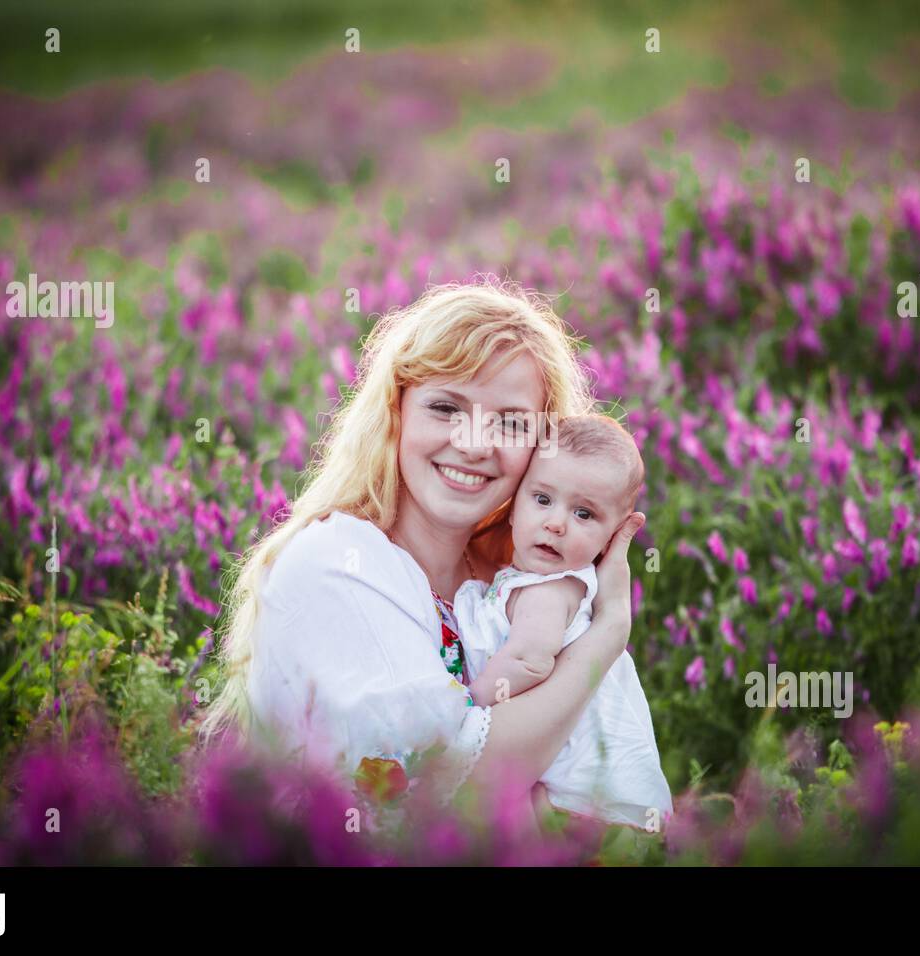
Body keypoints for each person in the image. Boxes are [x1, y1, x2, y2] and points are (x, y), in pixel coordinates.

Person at [202, 277, 648, 844]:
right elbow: (445, 794)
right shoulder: (336, 561)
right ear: (397, 413)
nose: (473, 443)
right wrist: (607, 635)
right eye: (444, 407)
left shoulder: (505, 586)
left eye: (511, 423)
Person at [455, 414, 673, 830]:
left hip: (584, 802)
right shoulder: (528, 582)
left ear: (612, 538)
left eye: (584, 514)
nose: (556, 523)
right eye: (542, 500)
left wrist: (469, 701)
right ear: (513, 509)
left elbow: (528, 661)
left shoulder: (552, 590)